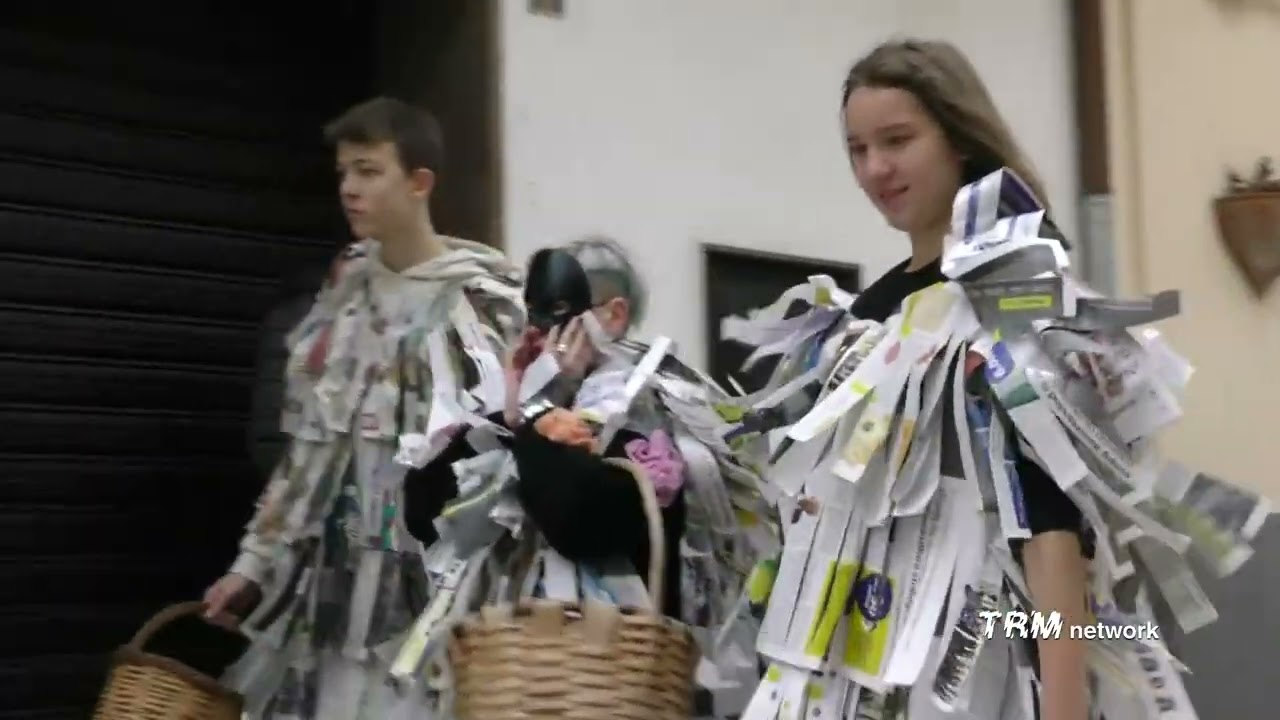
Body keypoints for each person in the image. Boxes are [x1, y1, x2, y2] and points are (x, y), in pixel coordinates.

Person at [200, 96, 524, 719]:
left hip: (432, 598)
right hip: (328, 587)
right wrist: (253, 565)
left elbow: (504, 467)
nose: (349, 188)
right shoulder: (346, 293)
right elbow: (309, 452)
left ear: (419, 182)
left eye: (369, 171)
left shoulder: (479, 304)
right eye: (344, 172)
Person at [840, 39, 1089, 720]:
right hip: (878, 661)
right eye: (858, 150)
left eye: (896, 140)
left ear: (958, 138)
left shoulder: (1016, 287)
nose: (876, 168)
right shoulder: (866, 317)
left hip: (996, 669)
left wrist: (1064, 707)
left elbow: (1048, 525)